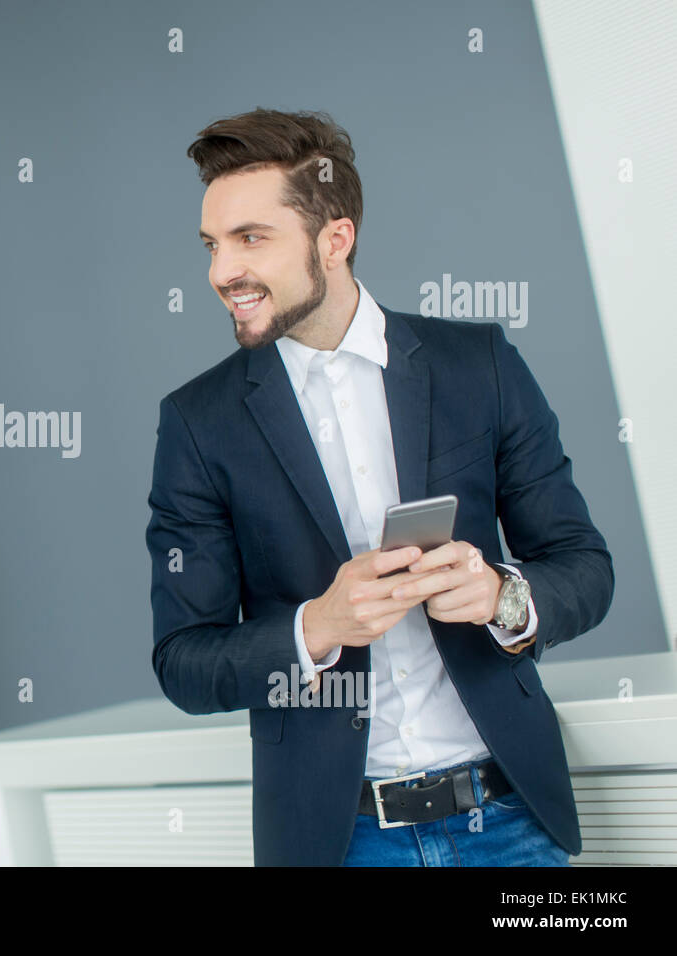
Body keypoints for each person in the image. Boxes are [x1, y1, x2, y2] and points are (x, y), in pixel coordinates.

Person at [145, 108, 613, 866]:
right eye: (212, 244)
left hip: (512, 820)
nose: (220, 272)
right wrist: (318, 626)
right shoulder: (198, 424)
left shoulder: (479, 364)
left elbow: (584, 567)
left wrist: (500, 596)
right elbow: (184, 662)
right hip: (343, 842)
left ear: (335, 239)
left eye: (251, 238)